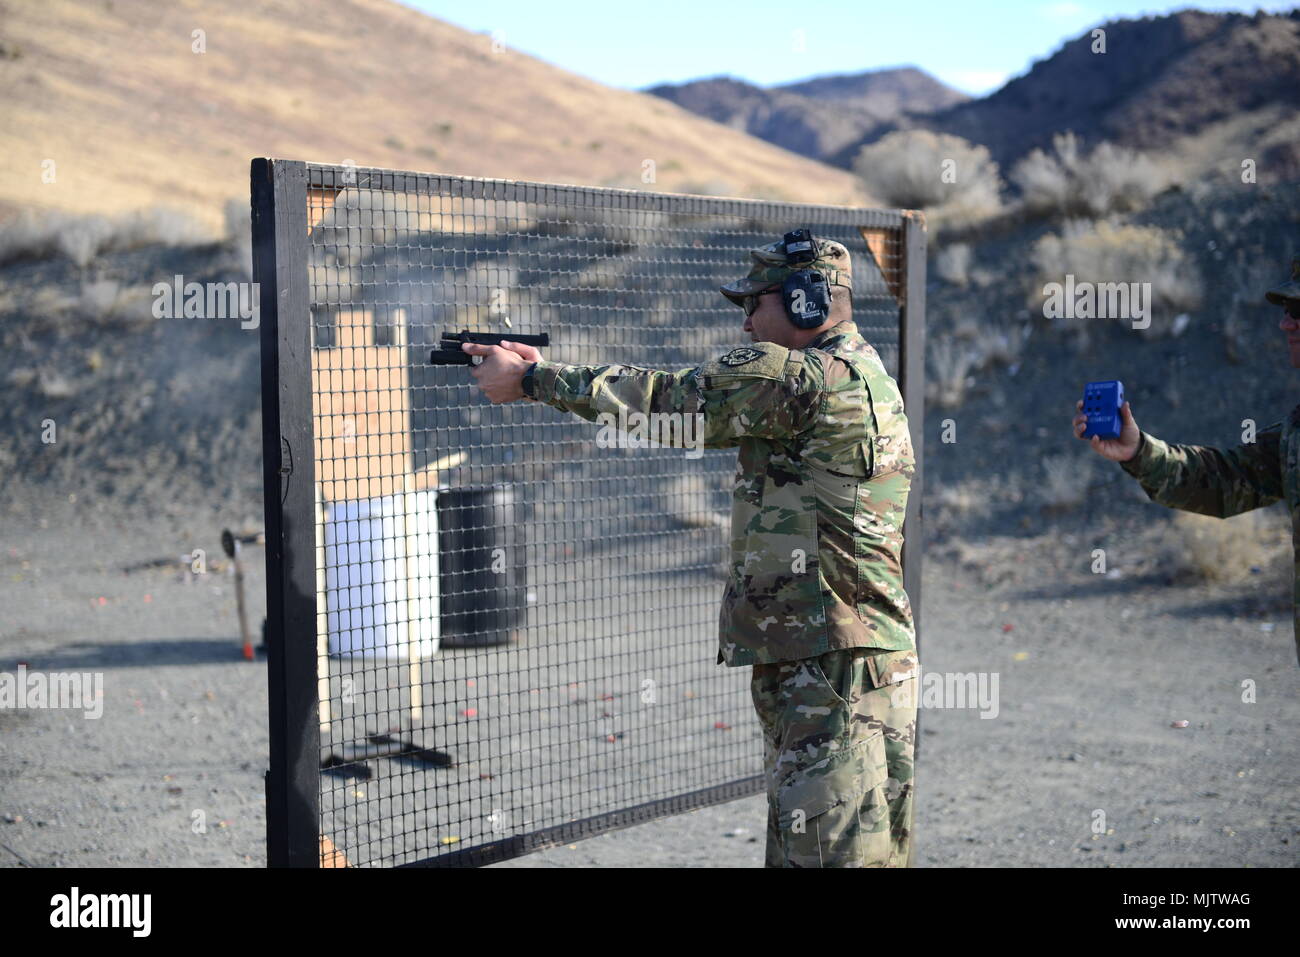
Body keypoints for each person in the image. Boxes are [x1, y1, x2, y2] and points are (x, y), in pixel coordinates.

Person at [462, 230, 918, 867]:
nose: (748, 321)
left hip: (829, 663)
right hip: (865, 657)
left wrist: (535, 380)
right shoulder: (863, 371)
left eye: (754, 304)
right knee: (863, 855)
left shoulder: (799, 376)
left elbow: (669, 403)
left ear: (804, 301)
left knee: (825, 857)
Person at [1072, 255, 1300, 667]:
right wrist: (1139, 451)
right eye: (1287, 311)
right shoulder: (1295, 435)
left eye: (1298, 312)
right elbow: (1224, 481)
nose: (1286, 324)